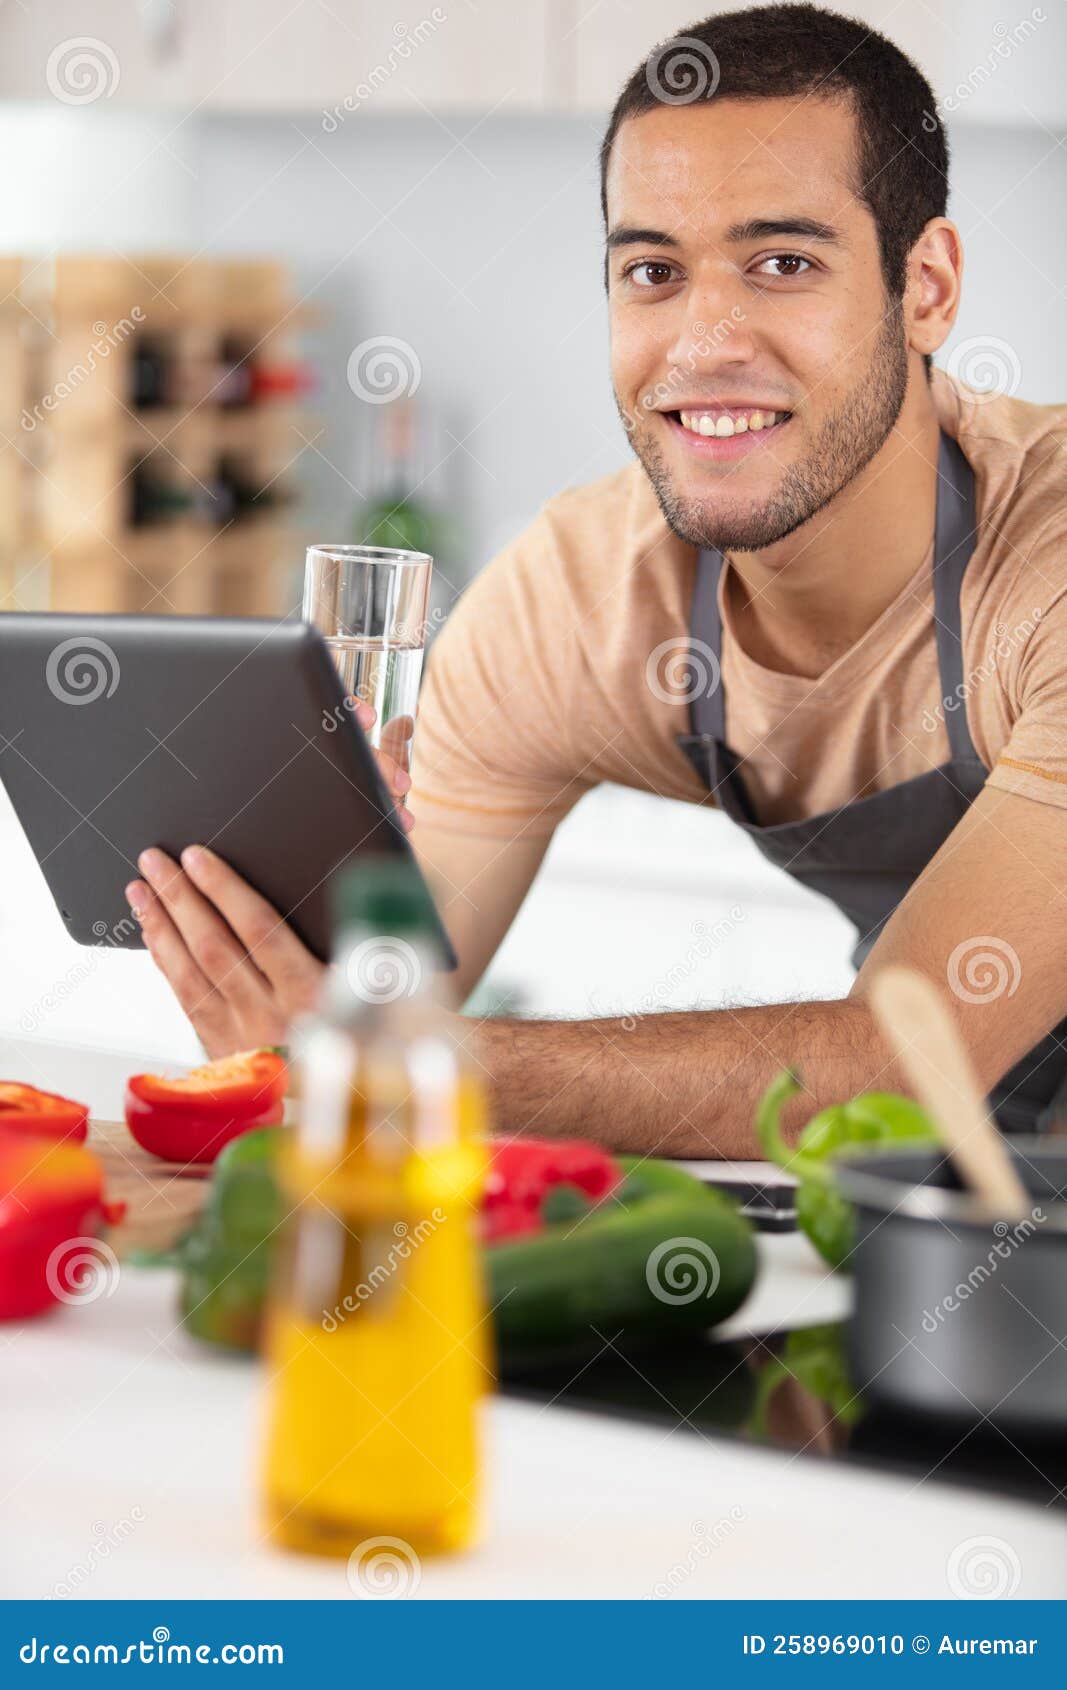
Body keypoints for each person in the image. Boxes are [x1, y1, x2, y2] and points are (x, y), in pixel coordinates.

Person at [126, 4, 1067, 1155]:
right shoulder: (574, 601)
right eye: (652, 270)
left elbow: (896, 1061)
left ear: (923, 288)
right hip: (950, 1192)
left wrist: (403, 1060)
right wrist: (294, 922)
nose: (705, 340)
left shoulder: (1043, 565)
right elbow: (367, 999)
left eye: (781, 262)